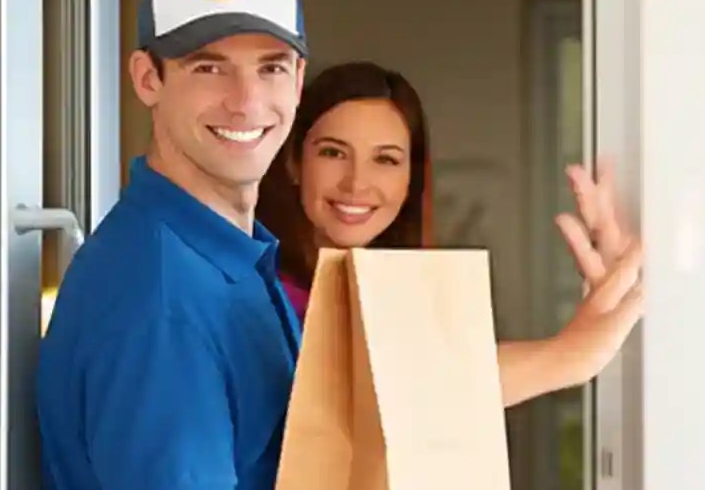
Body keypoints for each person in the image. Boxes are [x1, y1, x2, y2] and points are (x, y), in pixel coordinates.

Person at [37, 0, 516, 490]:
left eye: (270, 67)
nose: (245, 99)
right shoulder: (158, 293)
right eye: (208, 66)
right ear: (147, 78)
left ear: (297, 80)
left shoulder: (233, 267)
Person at [256, 61, 644, 409]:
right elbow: (380, 398)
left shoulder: (401, 298)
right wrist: (567, 356)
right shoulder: (259, 292)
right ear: (294, 162)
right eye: (333, 153)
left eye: (386, 159)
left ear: (411, 179)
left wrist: (605, 309)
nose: (357, 183)